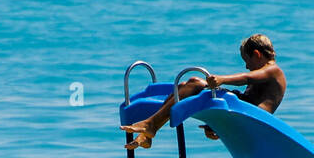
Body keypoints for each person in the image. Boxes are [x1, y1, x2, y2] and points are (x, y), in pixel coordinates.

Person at [121, 34, 286, 149]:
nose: (246, 66)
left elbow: (245, 78)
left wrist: (221, 79)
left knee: (194, 84)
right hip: (242, 113)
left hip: (250, 118)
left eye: (247, 60)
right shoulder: (268, 73)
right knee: (188, 84)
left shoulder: (273, 70)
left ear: (257, 54)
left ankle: (151, 125)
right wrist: (218, 126)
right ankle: (149, 131)